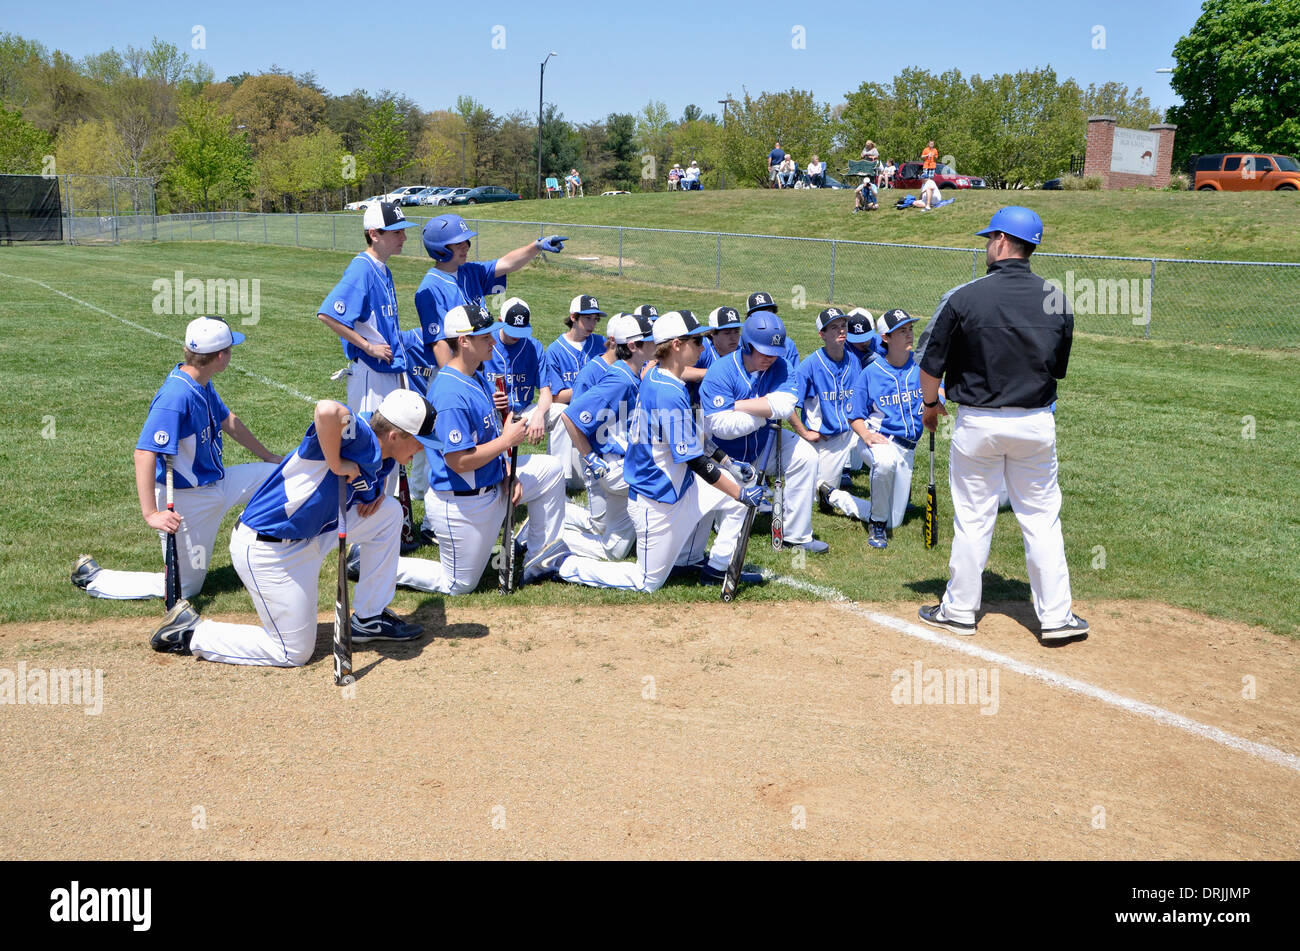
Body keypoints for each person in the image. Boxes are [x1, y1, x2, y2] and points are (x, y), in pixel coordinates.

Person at [146, 389, 433, 664]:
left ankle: (370, 619)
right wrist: (335, 464)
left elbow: (369, 475)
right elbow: (326, 409)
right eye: (419, 442)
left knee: (389, 512)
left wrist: (377, 490)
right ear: (394, 435)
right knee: (292, 652)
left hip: (314, 535)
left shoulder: (382, 447)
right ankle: (191, 632)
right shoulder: (359, 436)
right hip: (268, 549)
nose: (422, 450)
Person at [916, 206, 1087, 642]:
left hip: (977, 423)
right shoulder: (1057, 299)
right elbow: (1057, 369)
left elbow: (931, 366)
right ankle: (1056, 619)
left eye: (991, 238)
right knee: (1042, 518)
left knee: (974, 518)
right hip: (1035, 422)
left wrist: (931, 406)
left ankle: (958, 612)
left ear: (1004, 242)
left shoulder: (964, 297)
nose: (988, 245)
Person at [547, 310, 765, 591]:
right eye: (697, 341)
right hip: (656, 499)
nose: (703, 346)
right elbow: (695, 460)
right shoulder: (666, 390)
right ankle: (564, 565)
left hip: (677, 487)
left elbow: (693, 438)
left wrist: (730, 465)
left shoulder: (660, 378)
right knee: (646, 581)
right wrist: (739, 492)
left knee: (735, 491)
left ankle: (712, 567)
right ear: (676, 345)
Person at [71, 317, 282, 601]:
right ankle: (95, 578)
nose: (231, 355)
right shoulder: (175, 396)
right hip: (188, 502)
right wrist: (151, 514)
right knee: (185, 588)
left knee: (282, 475)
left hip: (220, 483)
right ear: (220, 357)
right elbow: (144, 453)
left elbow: (227, 420)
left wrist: (268, 457)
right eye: (230, 350)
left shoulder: (201, 381)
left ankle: (276, 546)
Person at [390, 304, 567, 595]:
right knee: (458, 584)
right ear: (463, 341)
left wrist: (509, 471)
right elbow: (459, 461)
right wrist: (507, 443)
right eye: (486, 337)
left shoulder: (477, 376)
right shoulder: (449, 393)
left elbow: (492, 433)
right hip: (463, 504)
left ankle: (539, 558)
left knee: (551, 470)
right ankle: (378, 565)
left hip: (492, 485)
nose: (494, 341)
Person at [701, 311, 829, 555]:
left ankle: (796, 535)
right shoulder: (720, 370)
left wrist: (736, 406)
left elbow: (785, 406)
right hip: (725, 458)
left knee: (806, 456)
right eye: (764, 351)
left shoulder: (780, 366)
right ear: (748, 345)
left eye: (775, 352)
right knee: (727, 527)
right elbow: (722, 427)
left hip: (763, 446)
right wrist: (765, 412)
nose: (771, 358)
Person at [414, 214, 566, 384]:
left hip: (477, 370)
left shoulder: (470, 271)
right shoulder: (430, 288)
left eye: (466, 242)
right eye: (458, 244)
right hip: (453, 373)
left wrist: (537, 246)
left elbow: (507, 264)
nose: (466, 247)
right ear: (440, 249)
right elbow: (439, 343)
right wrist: (458, 381)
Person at [560, 312, 655, 560]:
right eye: (651, 340)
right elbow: (570, 416)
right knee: (671, 473)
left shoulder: (632, 375)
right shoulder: (620, 379)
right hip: (618, 469)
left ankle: (552, 534)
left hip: (624, 464)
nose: (657, 344)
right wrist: (590, 457)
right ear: (633, 346)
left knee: (614, 550)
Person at [317, 200, 421, 415]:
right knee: (372, 442)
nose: (404, 238)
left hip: (387, 368)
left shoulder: (383, 269)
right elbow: (328, 315)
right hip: (371, 373)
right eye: (396, 232)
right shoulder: (362, 268)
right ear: (374, 234)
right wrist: (368, 347)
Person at [849, 309, 930, 548]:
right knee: (885, 463)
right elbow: (854, 415)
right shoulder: (871, 373)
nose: (909, 335)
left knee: (895, 520)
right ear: (885, 337)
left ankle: (833, 497)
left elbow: (939, 391)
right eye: (901, 331)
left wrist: (935, 407)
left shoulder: (920, 367)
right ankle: (876, 525)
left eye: (910, 329)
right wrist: (866, 434)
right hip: (879, 440)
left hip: (908, 449)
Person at [789, 308, 872, 524]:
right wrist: (804, 433)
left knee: (886, 453)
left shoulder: (853, 360)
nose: (841, 330)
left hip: (853, 432)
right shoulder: (809, 366)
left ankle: (893, 497)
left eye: (843, 325)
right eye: (834, 327)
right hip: (827, 442)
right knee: (820, 498)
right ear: (822, 334)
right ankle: (864, 509)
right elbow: (787, 406)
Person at [542, 294, 607, 485]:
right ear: (573, 317)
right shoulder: (555, 350)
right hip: (572, 417)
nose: (592, 324)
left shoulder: (600, 343)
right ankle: (559, 481)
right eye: (587, 318)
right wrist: (590, 390)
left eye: (595, 319)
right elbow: (557, 397)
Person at [745, 291, 801, 371]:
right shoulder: (743, 343)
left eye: (768, 312)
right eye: (759, 313)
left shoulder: (787, 344)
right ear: (749, 318)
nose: (765, 317)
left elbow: (795, 377)